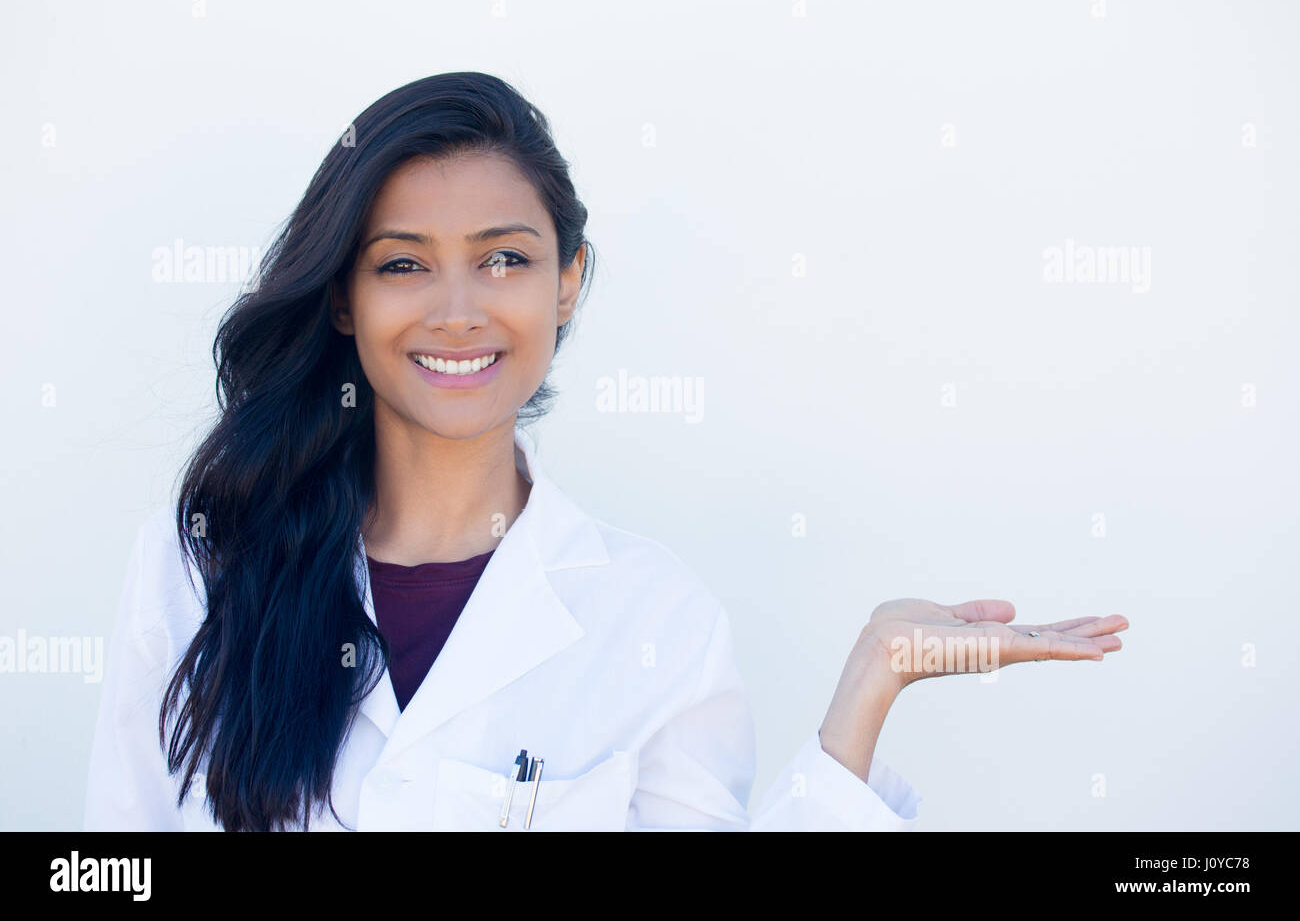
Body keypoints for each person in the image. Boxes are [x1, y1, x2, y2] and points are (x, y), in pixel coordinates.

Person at [83, 72, 1128, 831]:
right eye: (403, 264)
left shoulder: (653, 620)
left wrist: (870, 683)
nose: (458, 310)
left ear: (567, 283)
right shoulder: (203, 565)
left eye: (503, 258)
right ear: (346, 301)